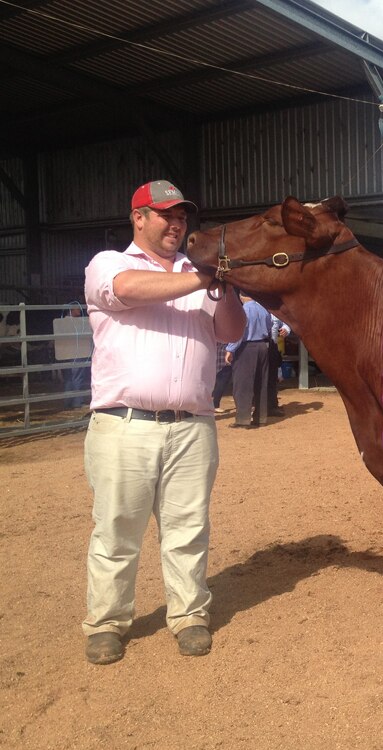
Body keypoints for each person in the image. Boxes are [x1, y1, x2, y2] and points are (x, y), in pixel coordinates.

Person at [82, 180, 246, 665]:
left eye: (182, 217)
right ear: (139, 218)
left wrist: (227, 287)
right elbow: (130, 292)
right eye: (166, 215)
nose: (177, 224)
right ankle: (107, 622)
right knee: (116, 529)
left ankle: (190, 614)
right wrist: (203, 279)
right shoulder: (110, 264)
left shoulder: (199, 276)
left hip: (192, 424)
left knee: (188, 527)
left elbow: (231, 331)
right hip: (124, 422)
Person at [225, 292, 271, 428]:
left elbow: (239, 332)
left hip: (246, 347)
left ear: (240, 296)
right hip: (263, 345)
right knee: (261, 382)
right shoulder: (263, 309)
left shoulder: (244, 310)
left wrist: (230, 349)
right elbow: (269, 327)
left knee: (243, 384)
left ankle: (243, 419)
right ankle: (261, 417)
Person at [267, 314, 290, 416]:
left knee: (272, 378)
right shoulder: (251, 307)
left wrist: (286, 329)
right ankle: (254, 405)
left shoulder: (275, 312)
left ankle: (272, 407)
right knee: (255, 377)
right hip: (256, 344)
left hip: (272, 346)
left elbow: (287, 323)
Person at [212, 342, 233, 413]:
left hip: (220, 359)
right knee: (221, 383)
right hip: (225, 360)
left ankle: (215, 405)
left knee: (219, 383)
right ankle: (215, 405)